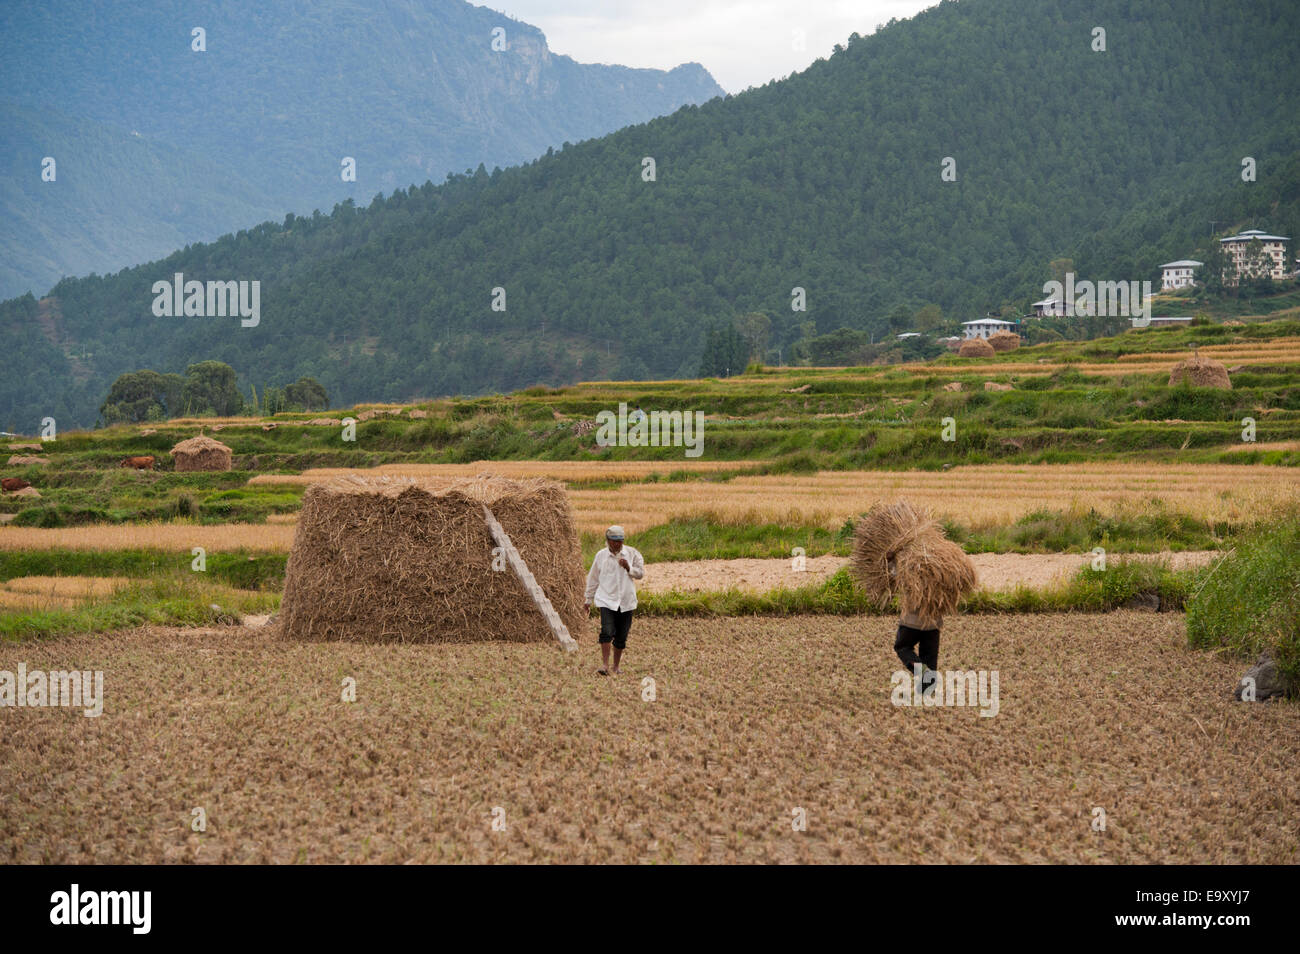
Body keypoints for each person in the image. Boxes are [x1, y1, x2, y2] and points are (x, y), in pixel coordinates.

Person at [584, 525, 644, 676]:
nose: (617, 544)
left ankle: (616, 667)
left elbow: (640, 573)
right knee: (607, 631)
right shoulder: (601, 556)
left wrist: (629, 568)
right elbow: (593, 579)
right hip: (606, 600)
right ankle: (604, 665)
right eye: (614, 541)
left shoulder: (632, 554)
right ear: (608, 541)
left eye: (620, 541)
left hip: (626, 601)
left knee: (621, 636)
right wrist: (588, 600)